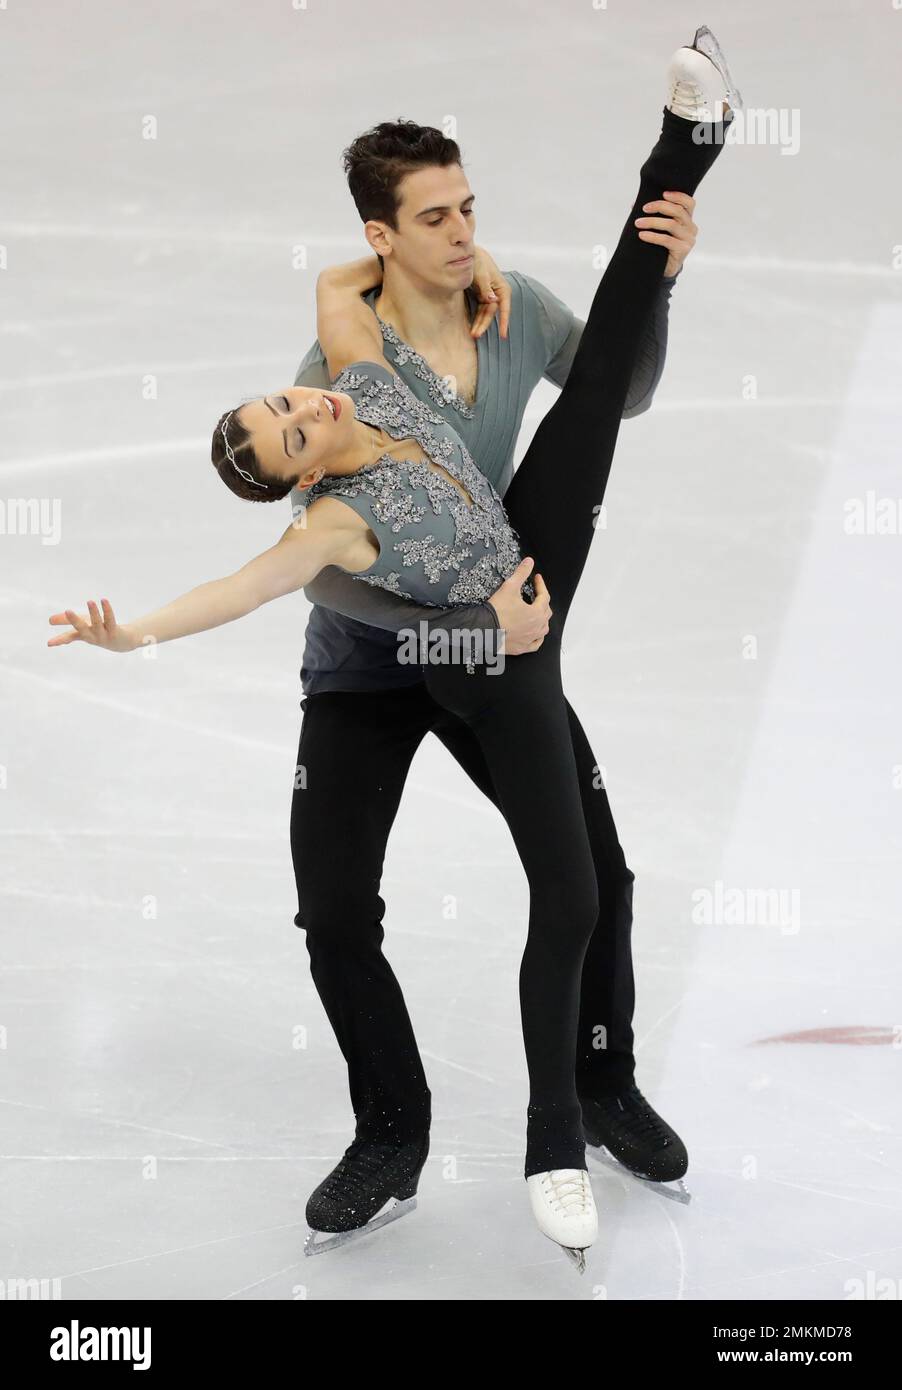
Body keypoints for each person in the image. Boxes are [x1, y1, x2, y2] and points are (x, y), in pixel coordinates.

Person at [48, 27, 739, 1269]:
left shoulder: (480, 315)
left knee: (599, 877)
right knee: (331, 907)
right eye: (433, 217)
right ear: (385, 237)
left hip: (505, 622)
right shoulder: (338, 393)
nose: (463, 230)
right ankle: (390, 1126)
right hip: (376, 659)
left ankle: (598, 1084)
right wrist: (135, 633)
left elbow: (612, 398)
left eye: (464, 206)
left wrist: (664, 280)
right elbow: (298, 581)